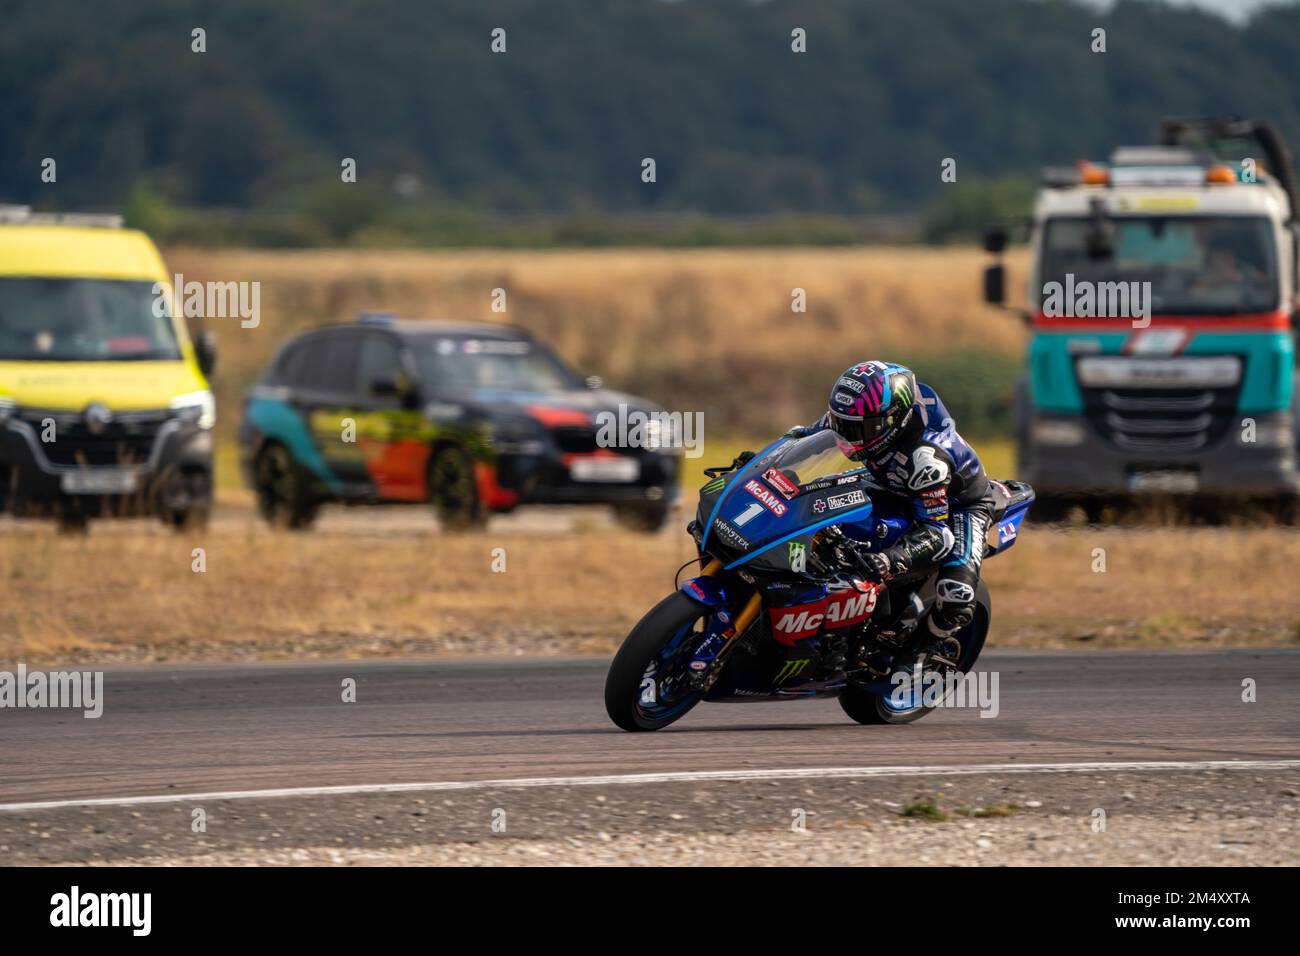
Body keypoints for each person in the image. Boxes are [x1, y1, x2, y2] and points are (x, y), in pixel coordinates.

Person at [786, 361, 993, 659]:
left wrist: (889, 559)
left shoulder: (927, 459)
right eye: (843, 424)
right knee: (819, 507)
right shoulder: (861, 414)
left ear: (893, 419)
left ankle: (922, 651)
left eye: (861, 429)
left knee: (956, 596)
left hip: (958, 505)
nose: (849, 436)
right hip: (891, 481)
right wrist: (761, 461)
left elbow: (938, 534)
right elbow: (808, 438)